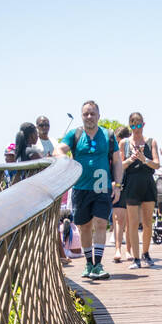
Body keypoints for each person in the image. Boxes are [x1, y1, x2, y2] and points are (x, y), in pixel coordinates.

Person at [56, 100, 122, 280]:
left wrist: (118, 185)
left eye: (93, 113)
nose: (89, 117)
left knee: (101, 223)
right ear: (82, 116)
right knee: (84, 227)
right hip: (80, 187)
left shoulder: (108, 135)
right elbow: (59, 149)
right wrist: (65, 159)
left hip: (102, 187)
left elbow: (117, 161)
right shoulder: (75, 134)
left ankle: (99, 264)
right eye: (86, 114)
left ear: (99, 116)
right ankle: (89, 264)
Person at [121, 112, 161, 268]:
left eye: (138, 125)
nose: (136, 128)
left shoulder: (151, 142)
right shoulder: (124, 143)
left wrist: (145, 159)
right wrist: (131, 159)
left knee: (147, 223)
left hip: (147, 184)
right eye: (133, 125)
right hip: (131, 184)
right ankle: (135, 258)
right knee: (132, 223)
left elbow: (157, 165)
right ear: (129, 125)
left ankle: (146, 253)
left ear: (143, 125)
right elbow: (120, 166)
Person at [111, 126, 131, 262]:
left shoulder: (130, 145)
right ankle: (118, 249)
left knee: (129, 220)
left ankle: (128, 250)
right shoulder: (114, 150)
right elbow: (117, 166)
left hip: (130, 184)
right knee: (118, 219)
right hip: (119, 184)